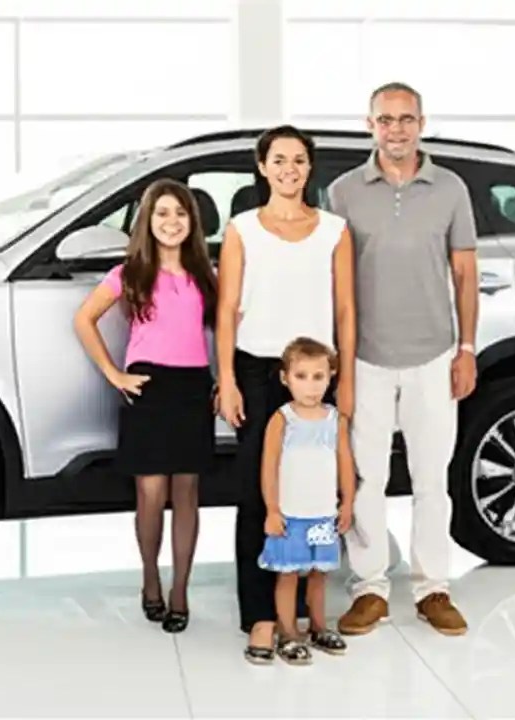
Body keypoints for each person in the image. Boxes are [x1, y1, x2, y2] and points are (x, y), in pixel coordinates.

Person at [328, 82, 478, 637]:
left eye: (406, 119)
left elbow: (464, 273)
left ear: (421, 123)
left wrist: (466, 349)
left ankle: (433, 587)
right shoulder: (343, 192)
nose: (396, 129)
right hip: (365, 357)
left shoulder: (451, 189)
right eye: (385, 119)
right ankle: (369, 589)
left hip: (434, 356)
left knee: (431, 477)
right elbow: (334, 278)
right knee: (366, 478)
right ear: (369, 124)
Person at [216, 125, 357, 662]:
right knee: (259, 494)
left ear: (309, 168)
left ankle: (302, 617)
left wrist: (348, 382)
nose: (289, 169)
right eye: (279, 159)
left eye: (298, 160)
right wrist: (226, 379)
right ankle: (259, 617)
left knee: (313, 492)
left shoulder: (335, 231)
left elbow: (345, 309)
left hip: (319, 371)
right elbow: (227, 308)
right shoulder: (242, 229)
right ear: (262, 166)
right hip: (257, 369)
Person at [73, 178, 218, 634]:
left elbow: (222, 330)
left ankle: (180, 591)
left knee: (187, 494)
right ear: (147, 222)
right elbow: (84, 319)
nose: (171, 222)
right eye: (162, 214)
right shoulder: (129, 273)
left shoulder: (205, 274)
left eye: (180, 213)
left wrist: (223, 380)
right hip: (149, 388)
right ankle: (151, 579)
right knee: (150, 495)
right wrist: (114, 374)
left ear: (192, 221)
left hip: (193, 387)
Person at [254, 337, 355, 666]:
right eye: (302, 377)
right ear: (286, 378)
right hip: (291, 517)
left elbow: (344, 464)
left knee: (318, 573)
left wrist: (347, 503)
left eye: (318, 377)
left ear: (331, 377)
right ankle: (288, 632)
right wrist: (271, 509)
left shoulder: (334, 420)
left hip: (323, 515)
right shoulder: (282, 420)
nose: (311, 387)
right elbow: (268, 468)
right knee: (288, 574)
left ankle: (318, 626)